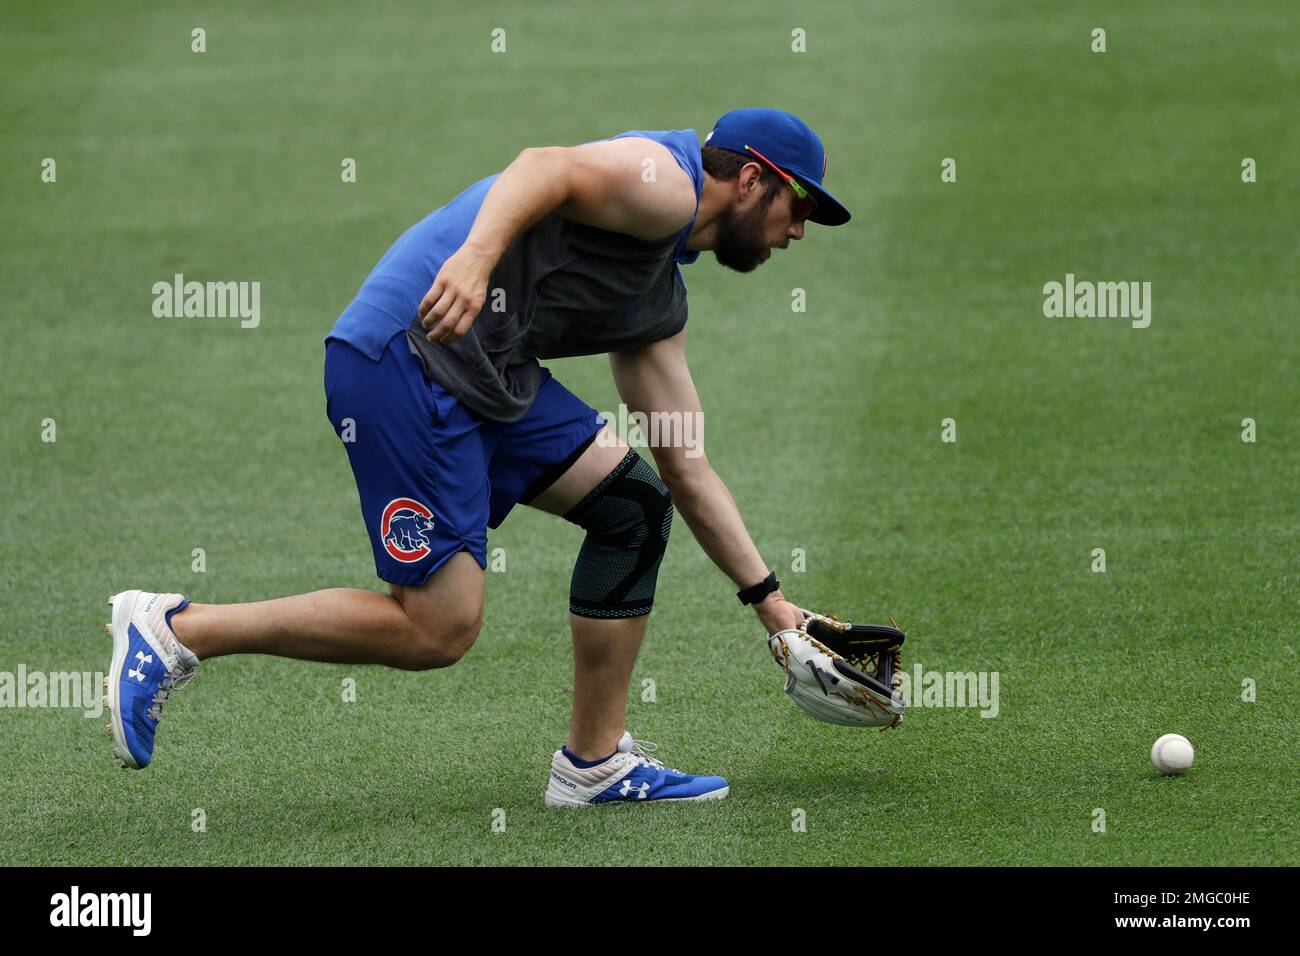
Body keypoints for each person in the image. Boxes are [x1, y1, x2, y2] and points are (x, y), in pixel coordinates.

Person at [102, 108, 851, 807]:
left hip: (487, 372)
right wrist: (474, 260)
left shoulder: (657, 301)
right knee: (439, 629)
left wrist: (773, 607)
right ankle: (176, 630)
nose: (800, 231)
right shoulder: (664, 182)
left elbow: (688, 464)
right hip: (407, 354)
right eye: (800, 206)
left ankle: (593, 764)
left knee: (635, 508)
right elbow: (544, 166)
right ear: (751, 178)